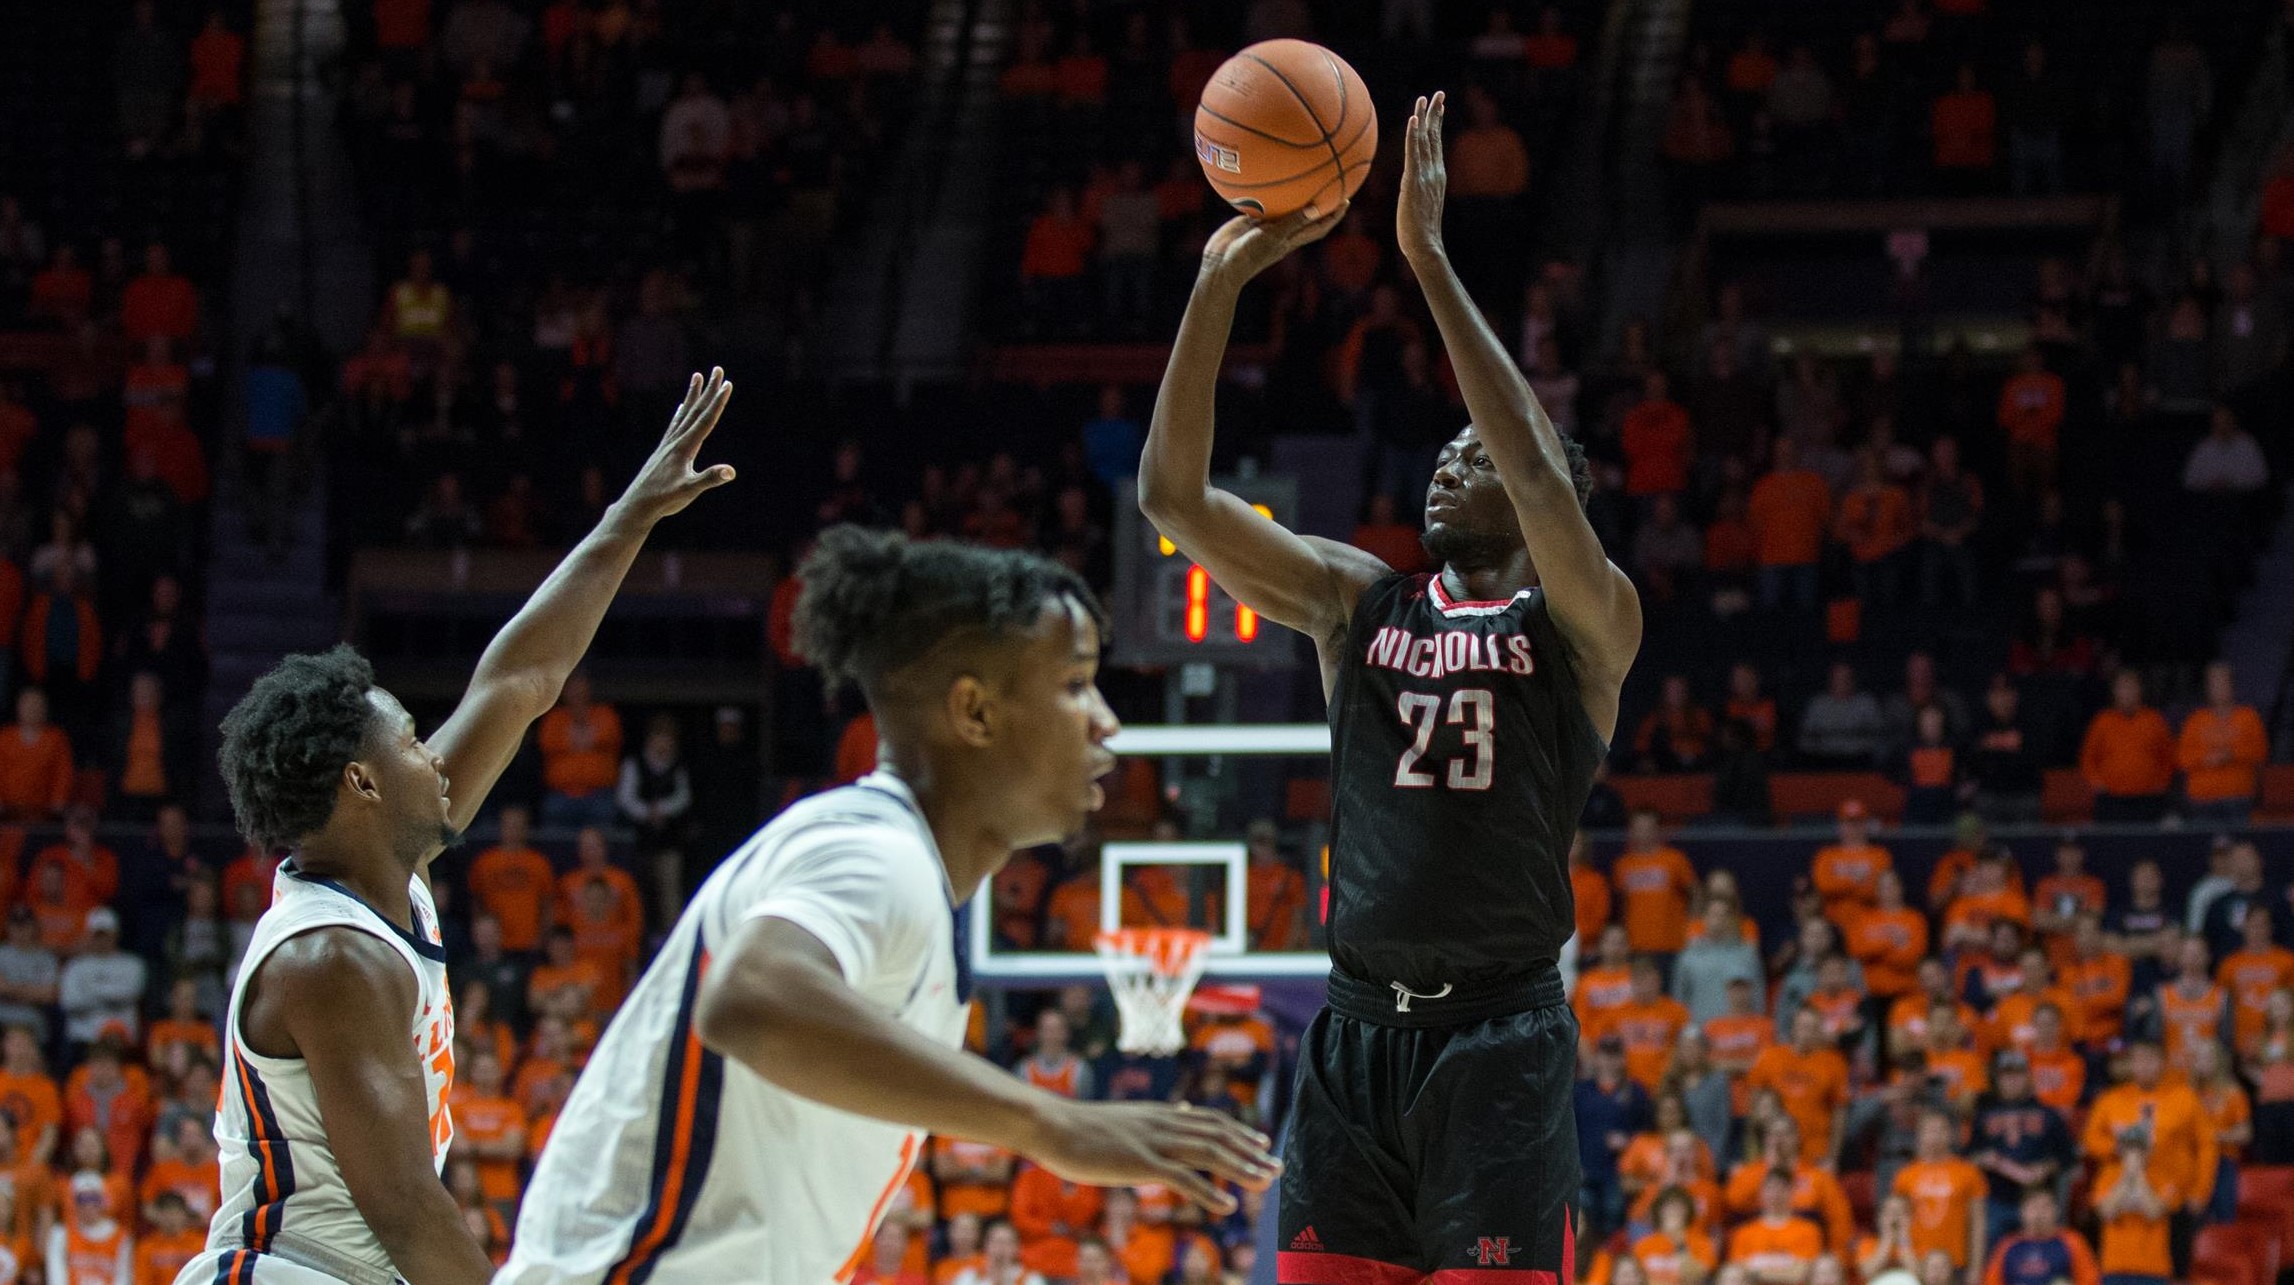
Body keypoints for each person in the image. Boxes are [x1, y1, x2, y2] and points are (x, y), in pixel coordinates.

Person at [1137, 93, 1640, 1281]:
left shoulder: (1584, 617)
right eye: (1443, 450)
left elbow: (1523, 445)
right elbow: (1172, 498)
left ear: (1534, 506)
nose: (1446, 463)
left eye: (1470, 458)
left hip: (1500, 1039)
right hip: (1355, 1029)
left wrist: (1428, 262)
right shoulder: (1355, 596)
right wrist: (1215, 284)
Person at [501, 527, 1276, 1283]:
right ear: (974, 713)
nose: (1106, 719)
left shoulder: (901, 868)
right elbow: (748, 997)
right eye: (1074, 683)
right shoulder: (878, 853)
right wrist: (1053, 1122)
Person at [177, 371, 741, 1285]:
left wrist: (630, 516)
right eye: (409, 737)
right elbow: (403, 1207)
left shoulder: (390, 861)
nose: (433, 755)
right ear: (360, 782)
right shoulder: (332, 956)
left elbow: (518, 682)